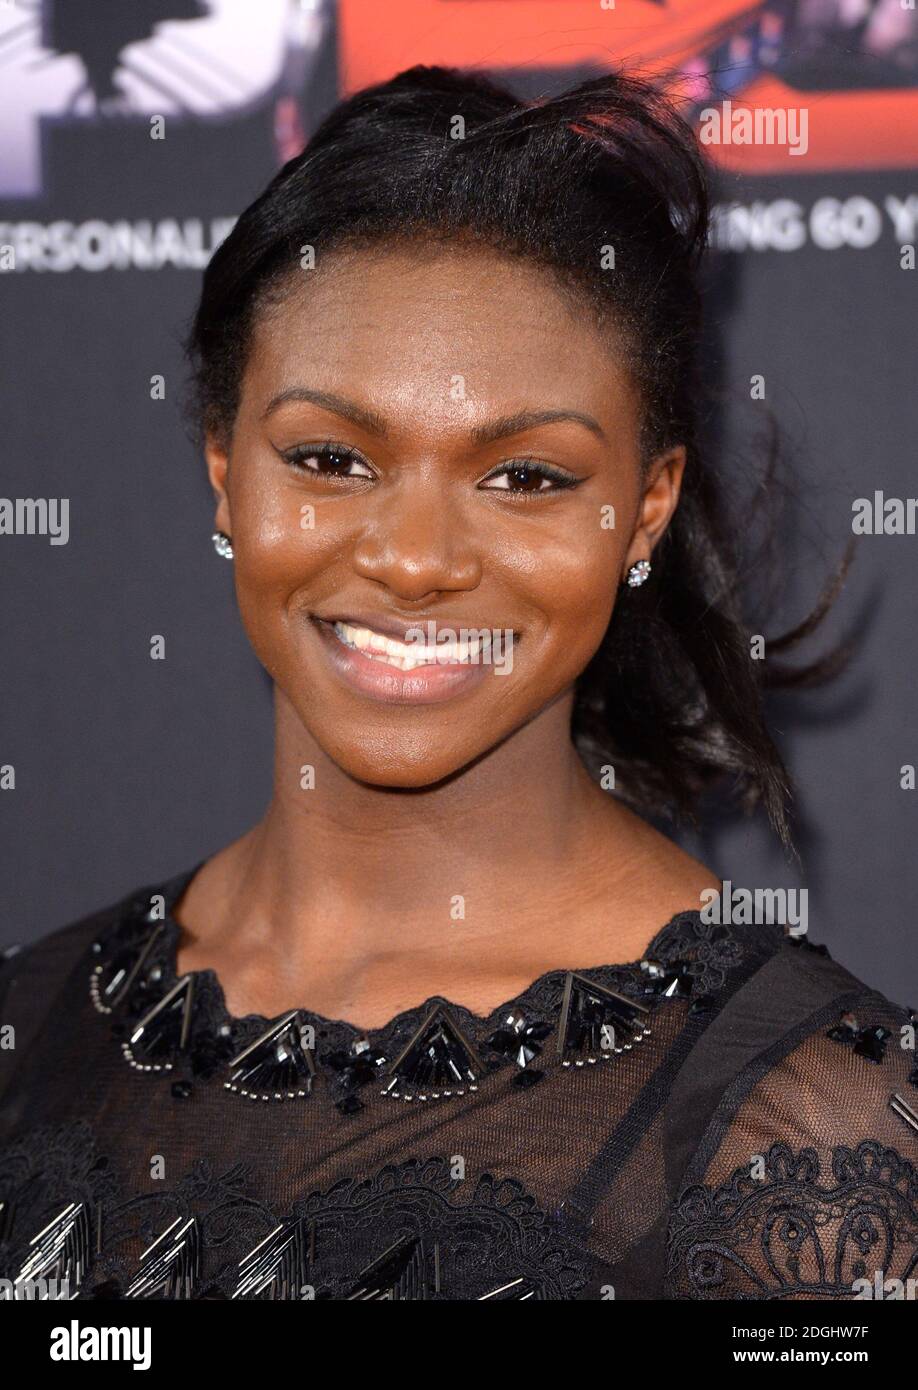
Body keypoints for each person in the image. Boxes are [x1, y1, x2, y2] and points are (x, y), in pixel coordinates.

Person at [1, 65, 915, 1302]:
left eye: (527, 476)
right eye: (331, 456)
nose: (416, 560)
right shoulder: (34, 1017)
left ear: (645, 509)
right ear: (225, 468)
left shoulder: (807, 1127)